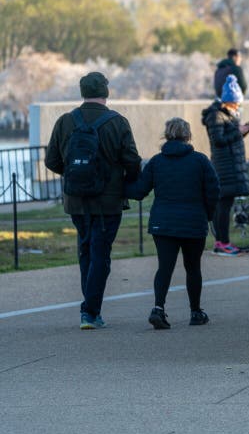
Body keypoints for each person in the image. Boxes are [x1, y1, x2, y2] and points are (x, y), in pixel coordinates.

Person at [44, 72, 141, 330]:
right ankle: (90, 312)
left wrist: (77, 174)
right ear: (106, 92)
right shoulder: (118, 123)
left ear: (82, 91)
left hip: (76, 200)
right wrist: (127, 181)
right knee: (100, 253)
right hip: (108, 201)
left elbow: (51, 161)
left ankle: (89, 308)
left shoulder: (65, 121)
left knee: (85, 249)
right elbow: (132, 160)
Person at [126, 118, 220, 329]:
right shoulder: (200, 161)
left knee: (164, 268)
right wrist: (208, 214)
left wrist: (119, 184)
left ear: (166, 135)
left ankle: (158, 308)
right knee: (193, 267)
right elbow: (214, 190)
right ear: (188, 135)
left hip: (163, 223)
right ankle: (196, 312)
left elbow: (139, 191)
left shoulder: (157, 162)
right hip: (194, 222)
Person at [202, 75, 249, 256]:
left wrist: (243, 132)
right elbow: (218, 141)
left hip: (231, 167)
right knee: (222, 206)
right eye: (236, 103)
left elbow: (230, 140)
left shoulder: (227, 115)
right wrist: (238, 132)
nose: (238, 107)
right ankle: (222, 242)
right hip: (224, 169)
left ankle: (223, 242)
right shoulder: (215, 116)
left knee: (226, 205)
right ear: (227, 101)